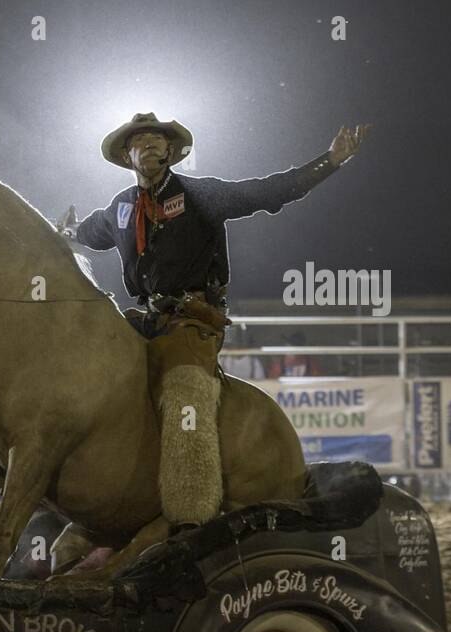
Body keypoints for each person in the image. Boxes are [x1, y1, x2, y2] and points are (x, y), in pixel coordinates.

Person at [64, 112, 368, 529]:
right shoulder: (120, 209)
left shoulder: (199, 194)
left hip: (193, 318)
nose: (150, 145)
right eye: (141, 141)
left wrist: (330, 161)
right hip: (145, 318)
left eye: (158, 140)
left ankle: (190, 514)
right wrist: (56, 232)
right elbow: (82, 232)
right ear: (126, 155)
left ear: (170, 153)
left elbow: (267, 192)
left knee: (185, 387)